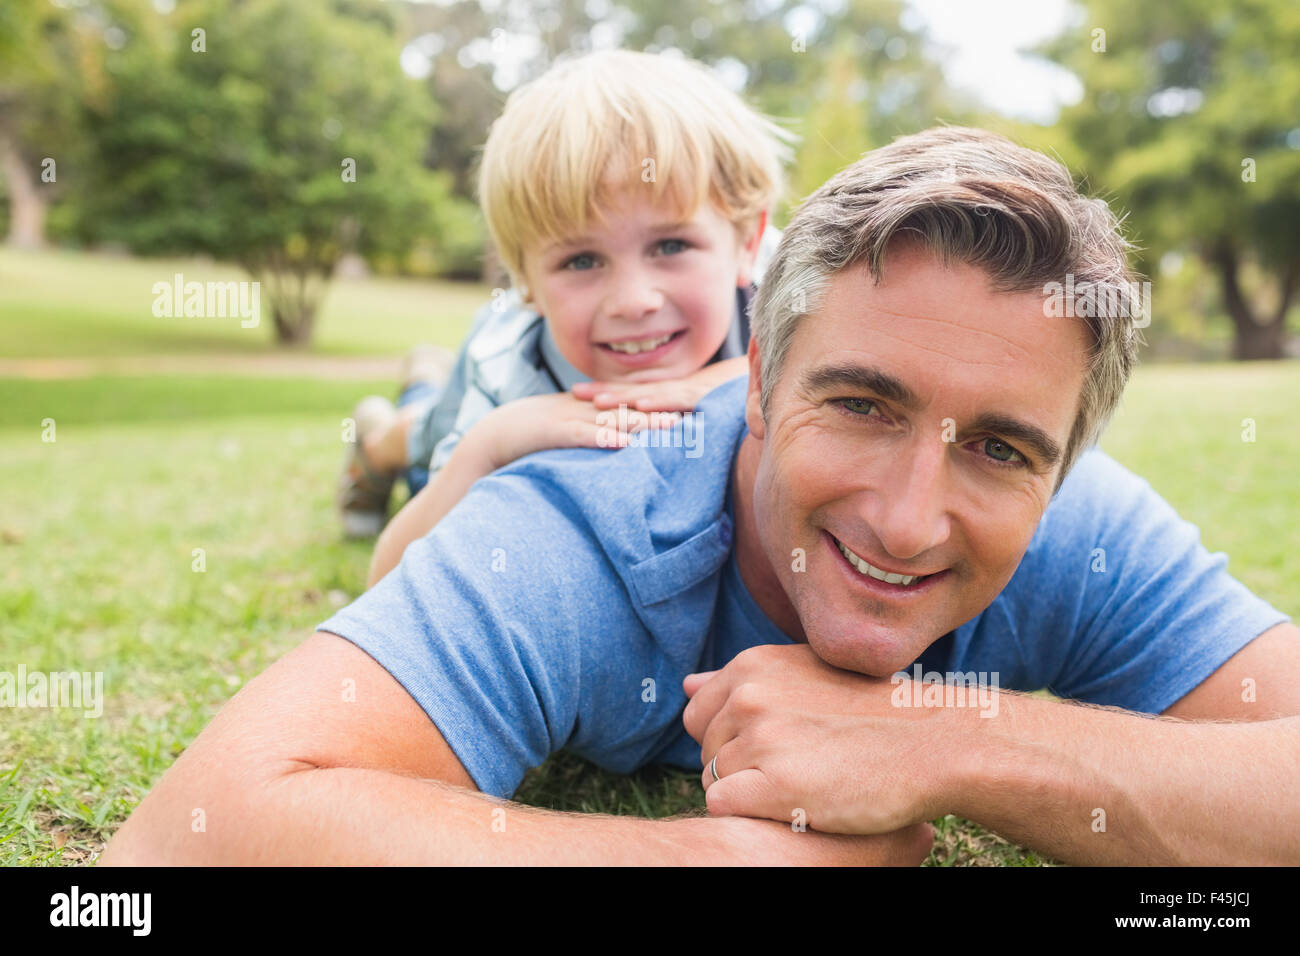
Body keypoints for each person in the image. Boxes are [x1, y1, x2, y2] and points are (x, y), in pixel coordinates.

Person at [100, 127, 1299, 866]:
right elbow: (186, 834)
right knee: (429, 430)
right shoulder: (574, 524)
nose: (905, 517)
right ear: (764, 384)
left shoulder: (1083, 524)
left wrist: (951, 739)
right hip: (498, 428)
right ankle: (388, 430)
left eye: (999, 448)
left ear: (1061, 458)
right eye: (863, 404)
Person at [337, 48, 790, 545]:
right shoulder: (508, 373)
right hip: (488, 368)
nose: (633, 301)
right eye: (581, 260)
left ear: (746, 243)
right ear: (524, 280)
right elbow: (404, 576)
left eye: (671, 245)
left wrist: (743, 378)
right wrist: (488, 444)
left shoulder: (785, 292)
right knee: (428, 441)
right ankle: (380, 438)